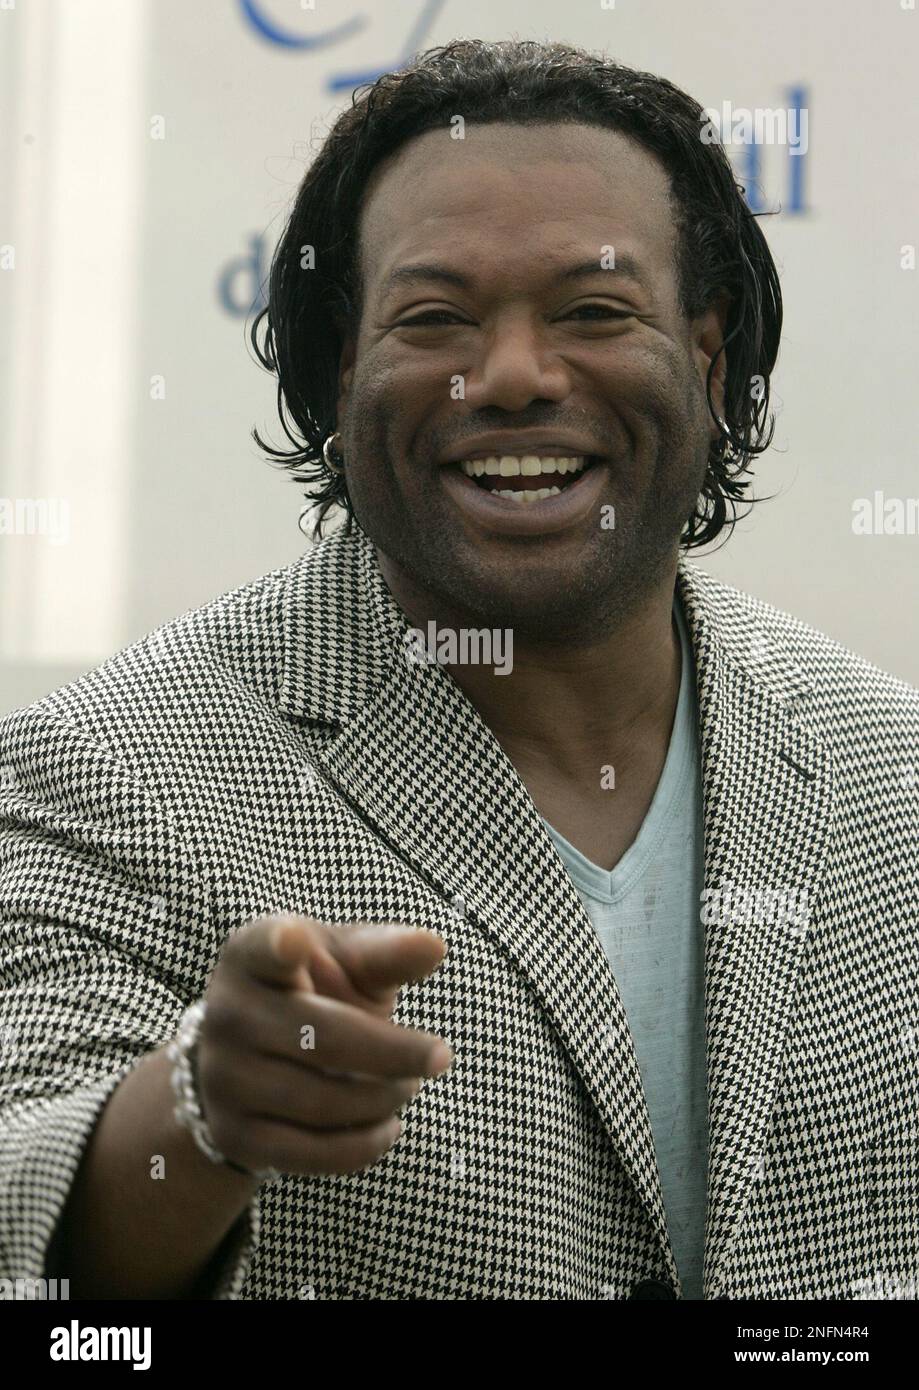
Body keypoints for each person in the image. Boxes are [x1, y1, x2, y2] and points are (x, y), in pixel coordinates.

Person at [1, 38, 916, 1302]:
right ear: (337, 373)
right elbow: (30, 1196)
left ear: (708, 359)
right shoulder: (111, 768)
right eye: (434, 320)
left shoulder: (890, 764)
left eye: (594, 312)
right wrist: (202, 1112)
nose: (515, 378)